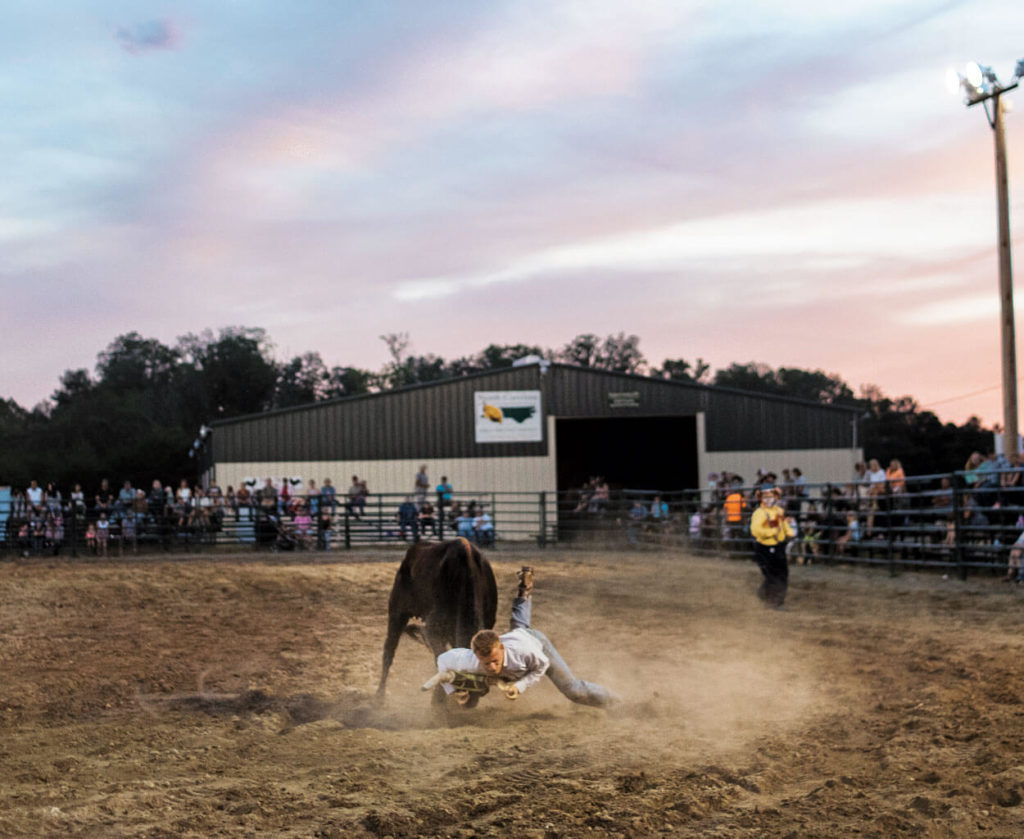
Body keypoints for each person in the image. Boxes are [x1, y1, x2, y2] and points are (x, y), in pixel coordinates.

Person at [434, 567, 619, 708]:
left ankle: (615, 702)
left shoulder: (526, 652)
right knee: (518, 627)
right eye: (486, 663)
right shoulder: (470, 659)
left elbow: (542, 666)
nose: (490, 667)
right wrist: (453, 691)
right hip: (515, 638)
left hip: (536, 644)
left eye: (494, 662)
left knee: (574, 691)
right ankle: (524, 591)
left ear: (501, 649)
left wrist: (520, 686)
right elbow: (442, 661)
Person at [750, 487, 795, 608]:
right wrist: (772, 533)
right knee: (771, 575)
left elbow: (782, 524)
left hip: (779, 546)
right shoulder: (758, 513)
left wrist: (789, 532)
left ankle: (767, 595)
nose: (768, 499)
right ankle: (773, 601)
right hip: (764, 548)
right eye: (765, 497)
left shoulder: (779, 511)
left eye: (771, 496)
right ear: (761, 498)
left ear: (776, 497)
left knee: (782, 574)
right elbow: (755, 530)